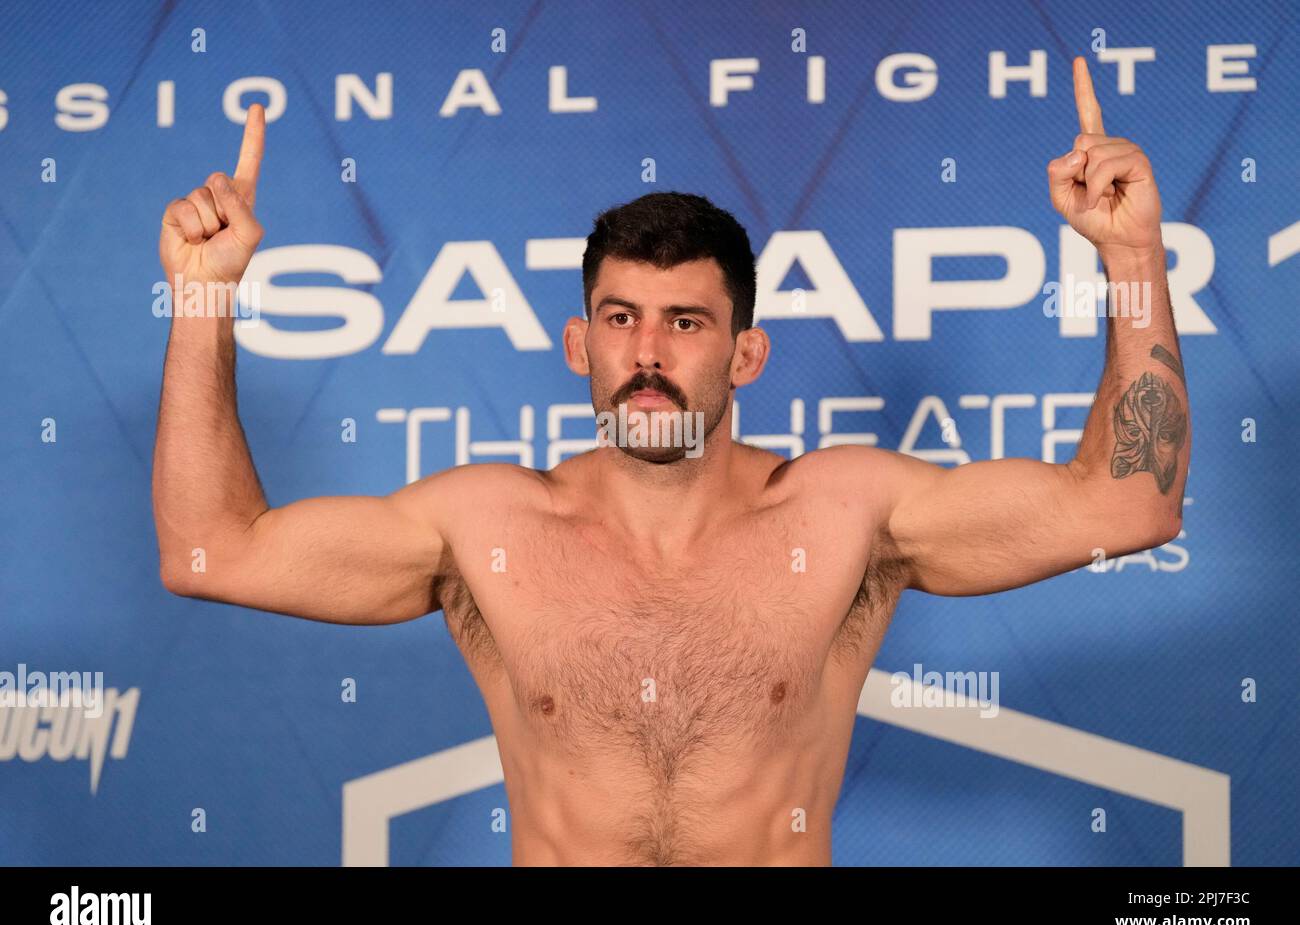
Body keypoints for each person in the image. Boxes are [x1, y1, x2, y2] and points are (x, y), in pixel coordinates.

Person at [154, 57, 1189, 865]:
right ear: (579, 345)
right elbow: (211, 549)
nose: (646, 354)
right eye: (620, 319)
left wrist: (1131, 254)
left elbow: (1128, 504)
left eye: (684, 321)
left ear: (746, 353)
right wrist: (201, 296)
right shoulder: (485, 527)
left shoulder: (843, 513)